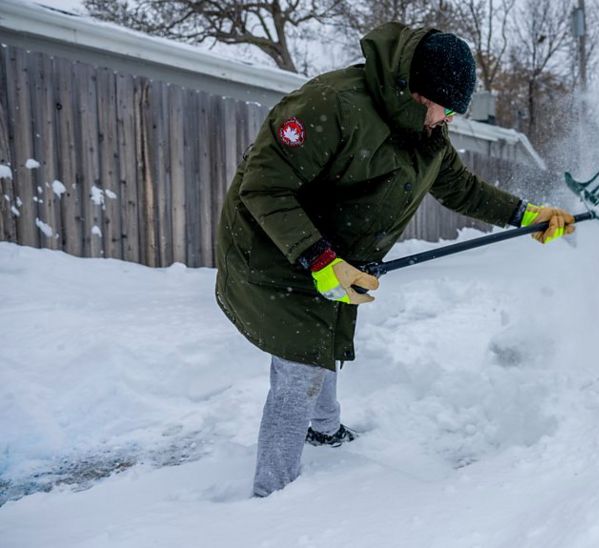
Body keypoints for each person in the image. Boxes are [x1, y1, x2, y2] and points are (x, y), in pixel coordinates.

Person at [214, 22, 576, 497]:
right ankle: (273, 494)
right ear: (418, 93)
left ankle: (324, 429)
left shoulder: (423, 133)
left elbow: (460, 187)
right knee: (300, 359)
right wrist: (320, 260)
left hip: (330, 250)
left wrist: (526, 214)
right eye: (446, 108)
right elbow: (263, 188)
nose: (448, 120)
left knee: (321, 333)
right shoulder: (330, 106)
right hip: (274, 246)